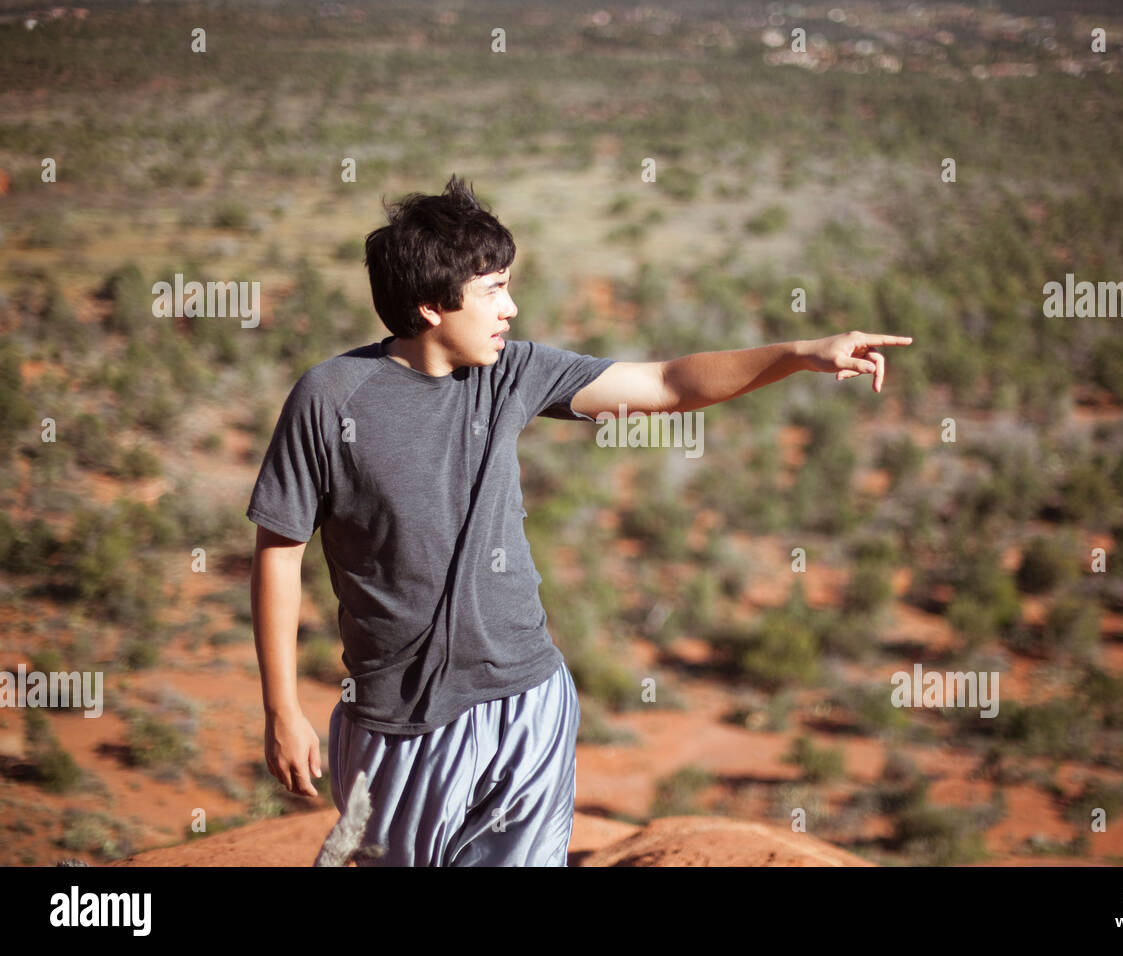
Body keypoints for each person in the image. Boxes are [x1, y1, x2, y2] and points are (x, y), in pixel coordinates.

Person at [247, 173, 911, 866]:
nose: (512, 308)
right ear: (430, 305)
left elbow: (667, 384)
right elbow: (279, 554)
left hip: (529, 698)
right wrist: (281, 709)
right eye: (493, 290)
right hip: (401, 720)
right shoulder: (331, 399)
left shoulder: (512, 373)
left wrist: (800, 355)